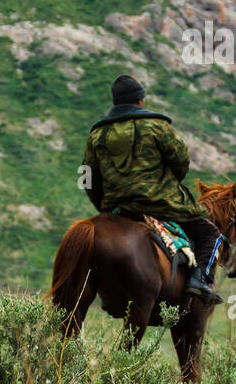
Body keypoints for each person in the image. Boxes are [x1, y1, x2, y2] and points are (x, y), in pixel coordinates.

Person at [82, 74, 224, 303]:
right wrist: (167, 186)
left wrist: (106, 209)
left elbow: (88, 178)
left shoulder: (97, 134)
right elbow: (181, 162)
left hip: (117, 209)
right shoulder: (158, 126)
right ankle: (200, 280)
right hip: (161, 204)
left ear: (116, 102)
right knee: (211, 234)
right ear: (140, 101)